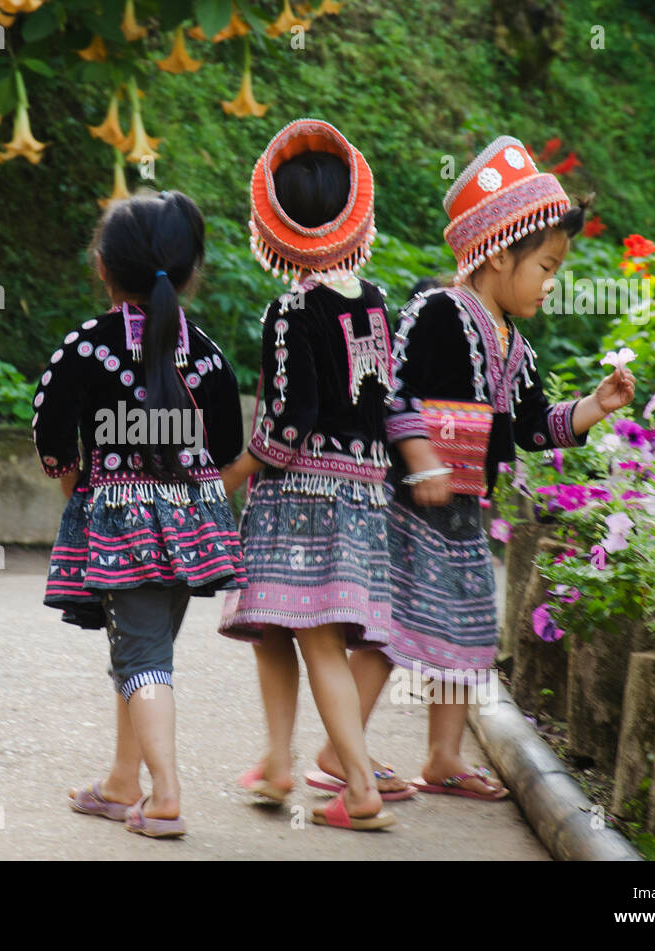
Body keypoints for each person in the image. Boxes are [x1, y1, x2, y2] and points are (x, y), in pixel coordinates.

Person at [307, 135, 637, 801]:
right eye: (545, 266)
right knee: (391, 630)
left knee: (469, 630)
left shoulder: (515, 343)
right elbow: (391, 394)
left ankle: (443, 755)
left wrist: (595, 406)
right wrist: (422, 457)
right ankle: (338, 751)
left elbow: (535, 425)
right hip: (411, 506)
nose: (552, 282)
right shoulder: (437, 312)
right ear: (498, 250)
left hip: (464, 513)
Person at [32, 187, 248, 838]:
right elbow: (228, 449)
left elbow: (49, 434)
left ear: (102, 265)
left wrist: (75, 484)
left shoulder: (86, 347)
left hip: (121, 525)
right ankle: (122, 781)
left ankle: (166, 797)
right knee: (142, 650)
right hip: (193, 529)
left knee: (141, 658)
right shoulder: (207, 355)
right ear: (192, 272)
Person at [218, 118, 398, 831]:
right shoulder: (376, 300)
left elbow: (291, 420)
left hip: (299, 497)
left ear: (279, 222)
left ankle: (358, 786)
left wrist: (236, 470)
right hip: (361, 495)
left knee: (311, 635)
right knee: (274, 627)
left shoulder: (292, 310)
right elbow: (376, 402)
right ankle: (276, 760)